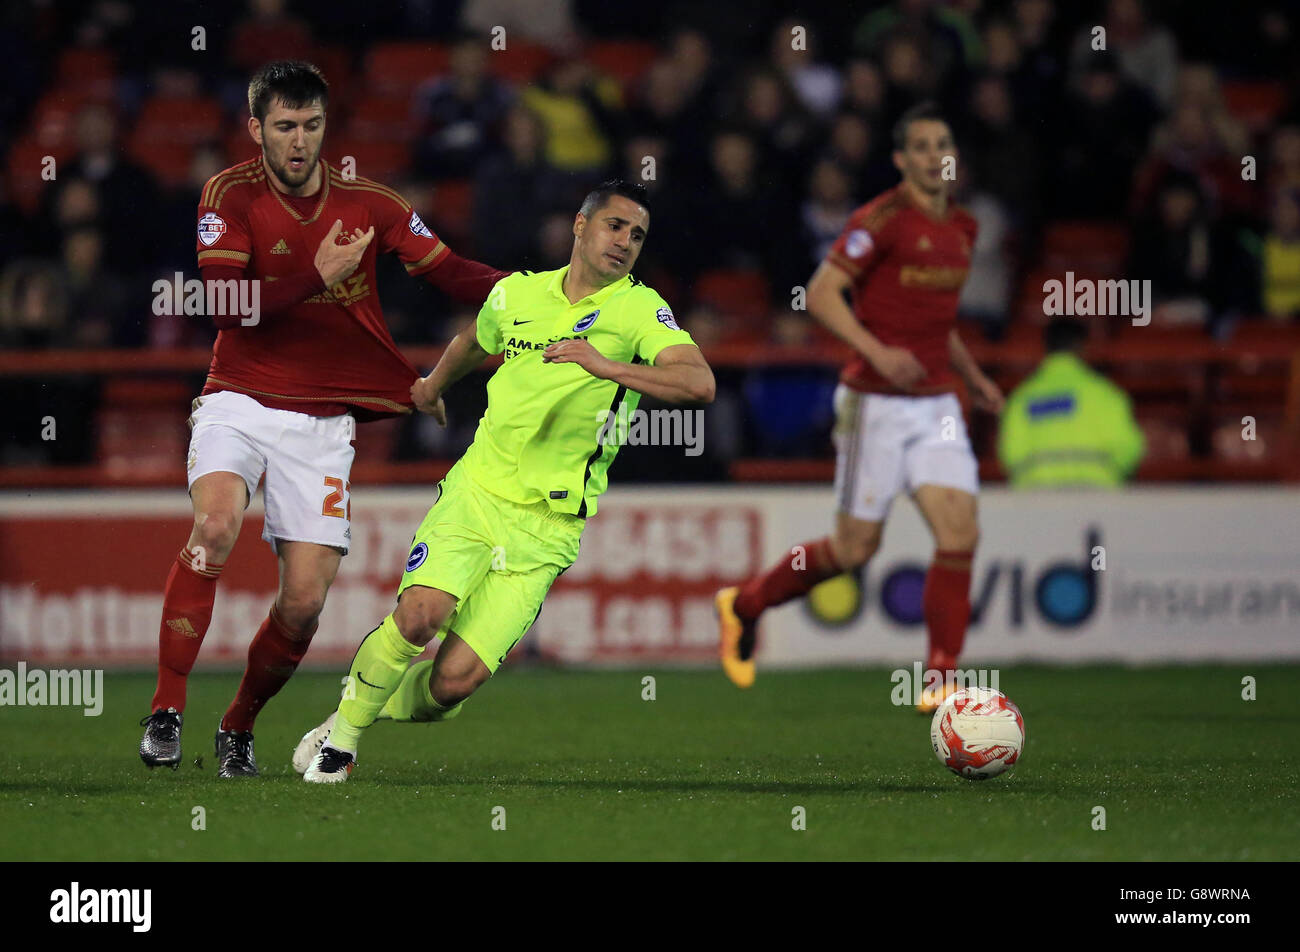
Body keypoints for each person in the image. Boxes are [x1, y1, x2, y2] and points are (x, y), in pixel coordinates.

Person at [138, 61, 509, 777]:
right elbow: (225, 307)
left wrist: (539, 288)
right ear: (256, 129)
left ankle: (238, 725)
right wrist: (319, 272)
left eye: (311, 126)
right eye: (284, 126)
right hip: (239, 399)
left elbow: (448, 270)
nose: (299, 141)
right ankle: (165, 709)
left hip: (321, 423)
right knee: (213, 527)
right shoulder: (228, 195)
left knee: (304, 605)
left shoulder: (370, 204)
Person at [293, 180, 715, 782]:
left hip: (549, 525)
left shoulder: (640, 310)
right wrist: (432, 386)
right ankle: (344, 747)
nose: (625, 242)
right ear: (580, 225)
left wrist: (605, 364)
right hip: (479, 491)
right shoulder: (516, 293)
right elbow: (474, 340)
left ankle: (349, 714)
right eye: (615, 226)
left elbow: (699, 383)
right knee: (419, 615)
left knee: (451, 685)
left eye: (638, 235)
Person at [715, 102, 1003, 712]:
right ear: (901, 159)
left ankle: (942, 675)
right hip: (874, 403)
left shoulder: (965, 228)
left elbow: (937, 320)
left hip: (936, 405)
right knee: (852, 551)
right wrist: (878, 350)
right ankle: (744, 604)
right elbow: (820, 294)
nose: (934, 156)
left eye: (942, 144)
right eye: (920, 146)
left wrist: (972, 374)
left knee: (960, 532)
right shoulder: (882, 219)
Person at [998, 317, 1145, 487]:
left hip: (1036, 498)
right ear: (1083, 347)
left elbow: (1010, 454)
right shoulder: (1107, 395)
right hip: (1098, 496)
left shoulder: (1020, 399)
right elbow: (1129, 449)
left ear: (1046, 347)